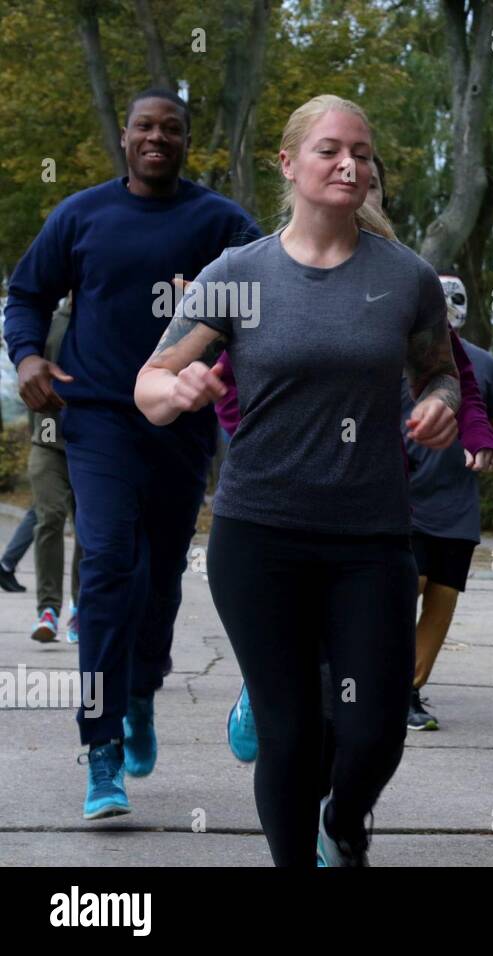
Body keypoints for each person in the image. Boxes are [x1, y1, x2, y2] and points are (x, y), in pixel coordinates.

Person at [135, 94, 460, 867]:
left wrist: (442, 408)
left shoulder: (406, 277)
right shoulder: (239, 275)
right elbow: (149, 379)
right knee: (290, 731)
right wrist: (174, 392)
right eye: (329, 150)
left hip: (372, 537)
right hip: (261, 536)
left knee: (375, 728)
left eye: (362, 151)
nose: (351, 163)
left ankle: (343, 823)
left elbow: (442, 375)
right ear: (289, 164)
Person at [3, 88, 259, 820]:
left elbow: (271, 296)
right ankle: (101, 745)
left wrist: (216, 312)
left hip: (180, 424)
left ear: (186, 140)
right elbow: (26, 294)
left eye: (171, 129)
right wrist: (26, 357)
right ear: (126, 137)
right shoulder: (81, 215)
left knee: (160, 576)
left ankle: (142, 687)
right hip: (98, 420)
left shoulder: (221, 224)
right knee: (111, 564)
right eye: (145, 127)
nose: (157, 138)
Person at [403, 272, 493, 732]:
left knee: (442, 600)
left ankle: (408, 691)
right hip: (402, 502)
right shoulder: (398, 359)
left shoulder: (483, 364)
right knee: (407, 590)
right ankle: (374, 682)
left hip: (457, 507)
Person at [27, 295, 84, 645]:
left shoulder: (107, 315)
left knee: (88, 528)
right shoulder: (50, 321)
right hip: (47, 441)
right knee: (49, 516)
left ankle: (81, 607)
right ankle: (47, 609)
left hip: (89, 443)